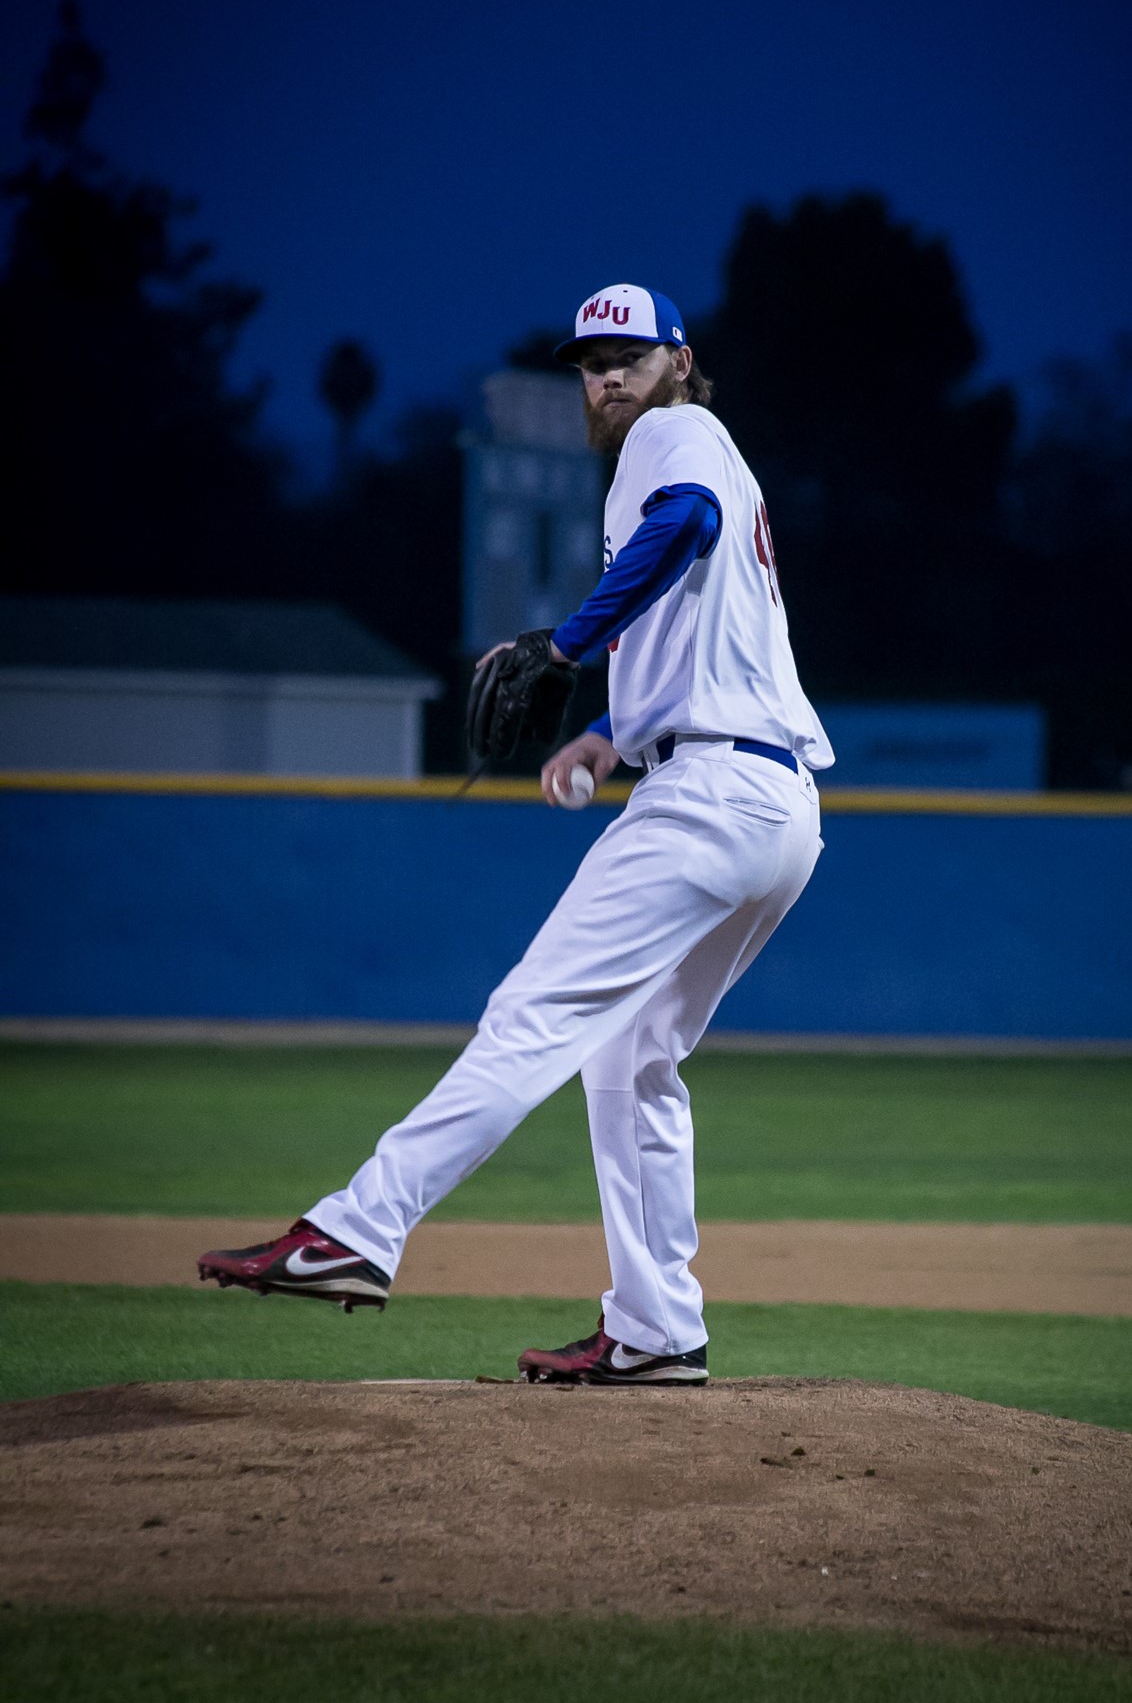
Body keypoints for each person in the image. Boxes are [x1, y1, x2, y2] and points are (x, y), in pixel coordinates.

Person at [199, 282, 833, 1384]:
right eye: (589, 364)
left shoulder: (669, 435)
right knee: (629, 1056)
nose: (605, 379)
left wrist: (570, 644)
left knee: (532, 1015)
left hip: (709, 804)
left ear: (680, 361)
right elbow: (702, 628)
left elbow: (680, 528)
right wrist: (606, 738)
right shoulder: (709, 450)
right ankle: (655, 1329)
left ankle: (358, 1227)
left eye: (629, 356)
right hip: (772, 808)